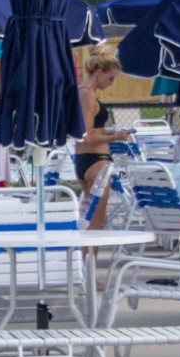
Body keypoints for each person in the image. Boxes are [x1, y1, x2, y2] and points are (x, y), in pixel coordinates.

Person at [74, 47, 132, 229]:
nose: (111, 83)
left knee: (93, 220)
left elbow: (90, 129)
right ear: (99, 72)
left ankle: (86, 258)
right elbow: (87, 136)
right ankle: (85, 259)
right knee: (96, 222)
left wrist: (109, 131)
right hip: (95, 162)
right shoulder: (88, 95)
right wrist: (115, 137)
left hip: (86, 160)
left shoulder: (81, 91)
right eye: (110, 78)